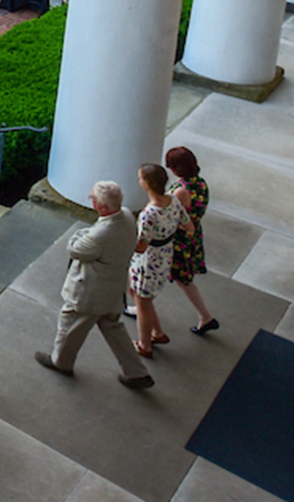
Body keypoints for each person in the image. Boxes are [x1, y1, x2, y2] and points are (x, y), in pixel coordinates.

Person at [34, 181, 153, 388]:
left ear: (103, 208)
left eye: (93, 199)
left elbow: (75, 249)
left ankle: (61, 362)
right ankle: (136, 372)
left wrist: (79, 234)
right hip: (113, 289)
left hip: (90, 292)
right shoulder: (125, 215)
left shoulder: (99, 236)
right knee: (112, 327)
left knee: (69, 323)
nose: (90, 199)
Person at [129, 162, 194, 357]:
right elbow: (188, 226)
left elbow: (141, 246)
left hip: (148, 262)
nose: (139, 180)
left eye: (141, 178)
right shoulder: (174, 201)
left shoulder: (149, 214)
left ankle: (144, 345)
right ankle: (157, 332)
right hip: (165, 255)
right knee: (144, 299)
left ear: (147, 184)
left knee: (142, 302)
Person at [164, 146, 218, 335]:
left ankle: (206, 316)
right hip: (192, 236)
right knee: (180, 278)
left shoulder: (181, 191)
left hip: (178, 240)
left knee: (180, 278)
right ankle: (205, 317)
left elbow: (170, 215)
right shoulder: (200, 183)